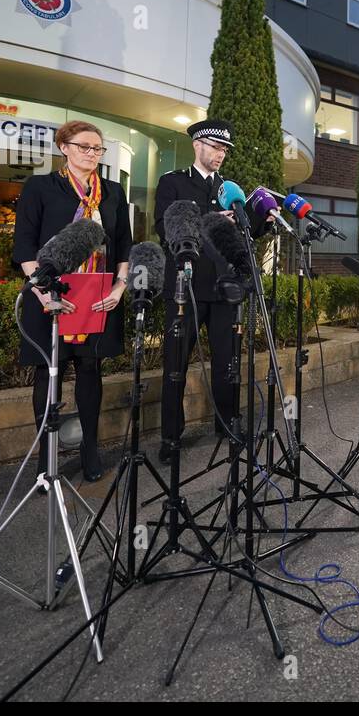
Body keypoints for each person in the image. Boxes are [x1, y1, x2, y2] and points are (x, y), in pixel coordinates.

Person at [13, 120, 132, 483]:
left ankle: (89, 450)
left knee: (91, 371)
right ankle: (45, 458)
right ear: (64, 147)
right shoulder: (41, 187)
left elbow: (123, 244)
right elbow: (24, 244)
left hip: (98, 297)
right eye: (84, 147)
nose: (92, 154)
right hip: (50, 296)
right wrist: (42, 290)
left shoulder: (113, 192)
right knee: (49, 374)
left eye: (98, 149)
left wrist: (119, 288)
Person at [155, 119, 240, 464]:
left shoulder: (230, 189)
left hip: (222, 289)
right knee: (175, 367)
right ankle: (171, 438)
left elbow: (237, 239)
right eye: (215, 147)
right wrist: (211, 217)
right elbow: (164, 225)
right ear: (197, 145)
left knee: (227, 365)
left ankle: (227, 424)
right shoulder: (173, 182)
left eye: (224, 150)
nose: (220, 154)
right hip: (184, 289)